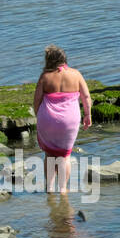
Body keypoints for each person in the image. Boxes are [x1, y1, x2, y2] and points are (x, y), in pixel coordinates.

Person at [32, 45, 92, 195]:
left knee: (50, 154)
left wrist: (39, 116)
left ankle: (50, 188)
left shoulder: (45, 77)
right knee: (65, 155)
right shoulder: (76, 74)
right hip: (69, 120)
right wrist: (87, 115)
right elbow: (86, 97)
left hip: (48, 118)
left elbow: (37, 100)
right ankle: (63, 189)